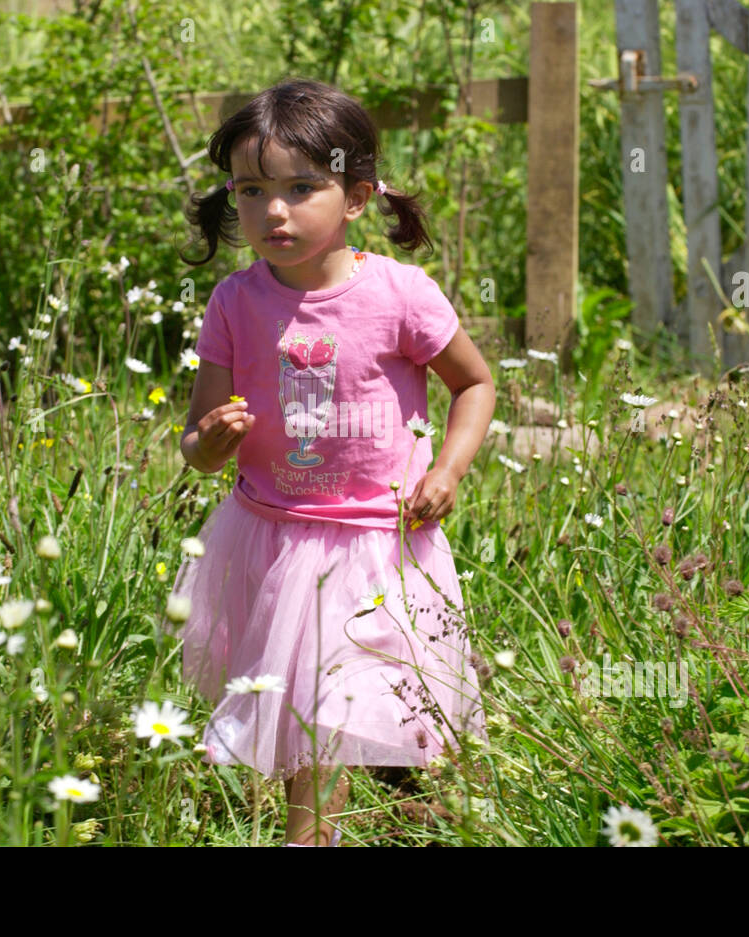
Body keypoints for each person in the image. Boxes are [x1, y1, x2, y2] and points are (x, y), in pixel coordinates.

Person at [171, 78, 495, 847]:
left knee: (371, 703)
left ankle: (423, 813)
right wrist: (209, 443)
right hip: (271, 538)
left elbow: (475, 383)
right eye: (251, 190)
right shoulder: (234, 303)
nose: (273, 210)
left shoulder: (399, 295)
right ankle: (314, 834)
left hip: (375, 539)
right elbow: (196, 446)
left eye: (300, 188)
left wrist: (446, 470)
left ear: (355, 197)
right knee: (306, 704)